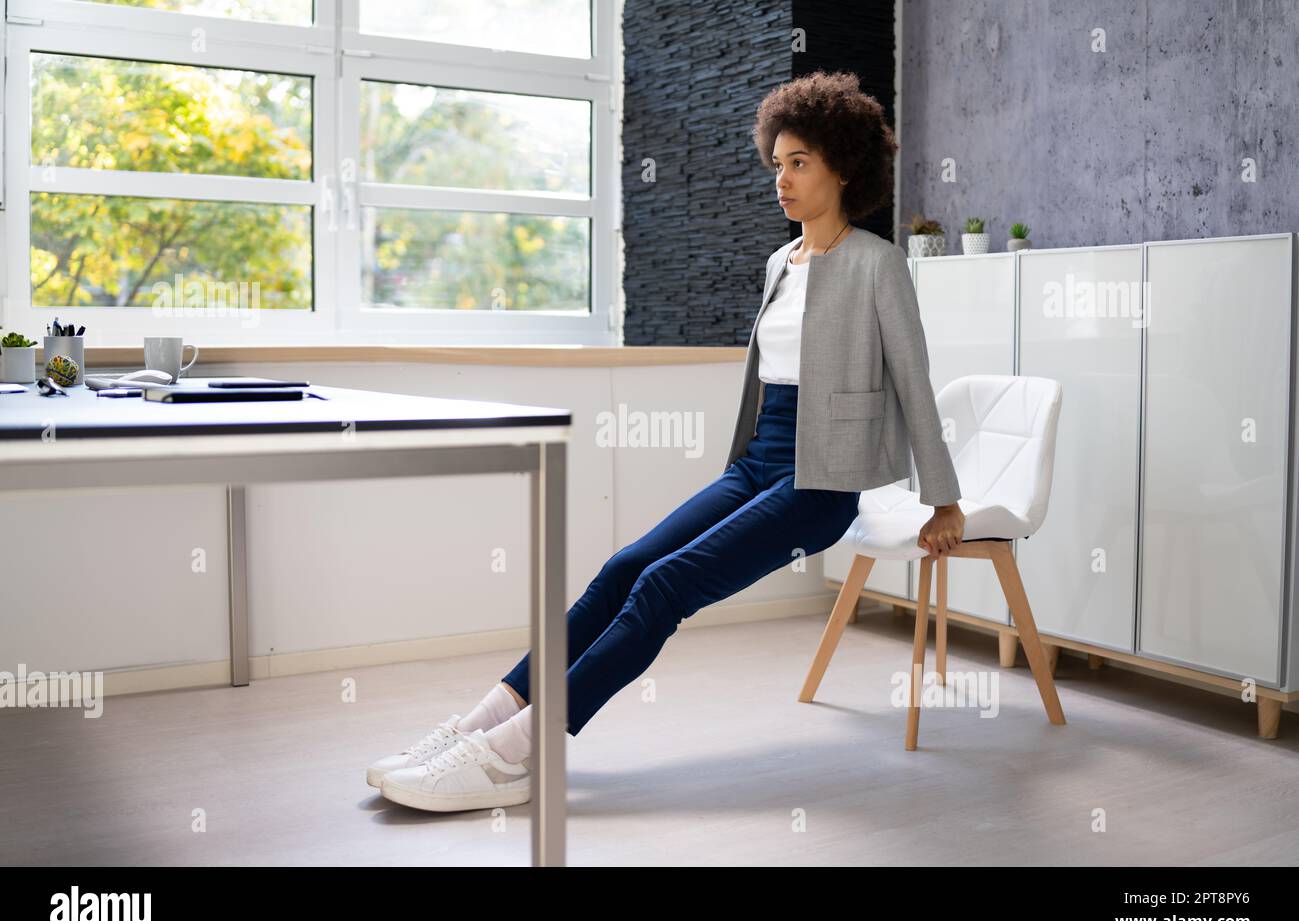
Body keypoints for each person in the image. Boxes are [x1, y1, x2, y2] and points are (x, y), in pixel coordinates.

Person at [370, 70, 966, 813]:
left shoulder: (878, 264)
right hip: (759, 461)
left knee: (664, 587)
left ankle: (511, 756)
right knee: (625, 568)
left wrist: (944, 500)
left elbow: (914, 379)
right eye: (776, 163)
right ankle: (480, 723)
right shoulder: (781, 264)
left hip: (822, 482)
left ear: (843, 166)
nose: (781, 179)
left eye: (800, 162)